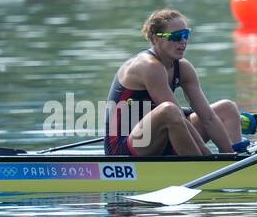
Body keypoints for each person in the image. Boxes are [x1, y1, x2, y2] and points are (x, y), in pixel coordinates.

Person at [104, 10, 243, 156]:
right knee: (169, 110)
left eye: (186, 35)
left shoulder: (183, 68)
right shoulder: (149, 66)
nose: (183, 41)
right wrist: (208, 156)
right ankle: (200, 168)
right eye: (176, 37)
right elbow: (177, 116)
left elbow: (208, 117)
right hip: (125, 149)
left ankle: (237, 160)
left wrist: (229, 157)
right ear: (155, 39)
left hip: (161, 138)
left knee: (227, 109)